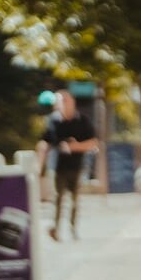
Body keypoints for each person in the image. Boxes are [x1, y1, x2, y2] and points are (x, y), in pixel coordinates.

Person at [36, 90, 97, 240]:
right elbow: (46, 142)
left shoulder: (82, 120)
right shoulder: (54, 121)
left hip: (77, 165)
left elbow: (93, 143)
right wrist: (39, 163)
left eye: (64, 101)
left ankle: (73, 228)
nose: (61, 104)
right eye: (59, 102)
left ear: (72, 102)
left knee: (75, 199)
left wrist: (73, 147)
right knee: (57, 199)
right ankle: (56, 229)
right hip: (58, 166)